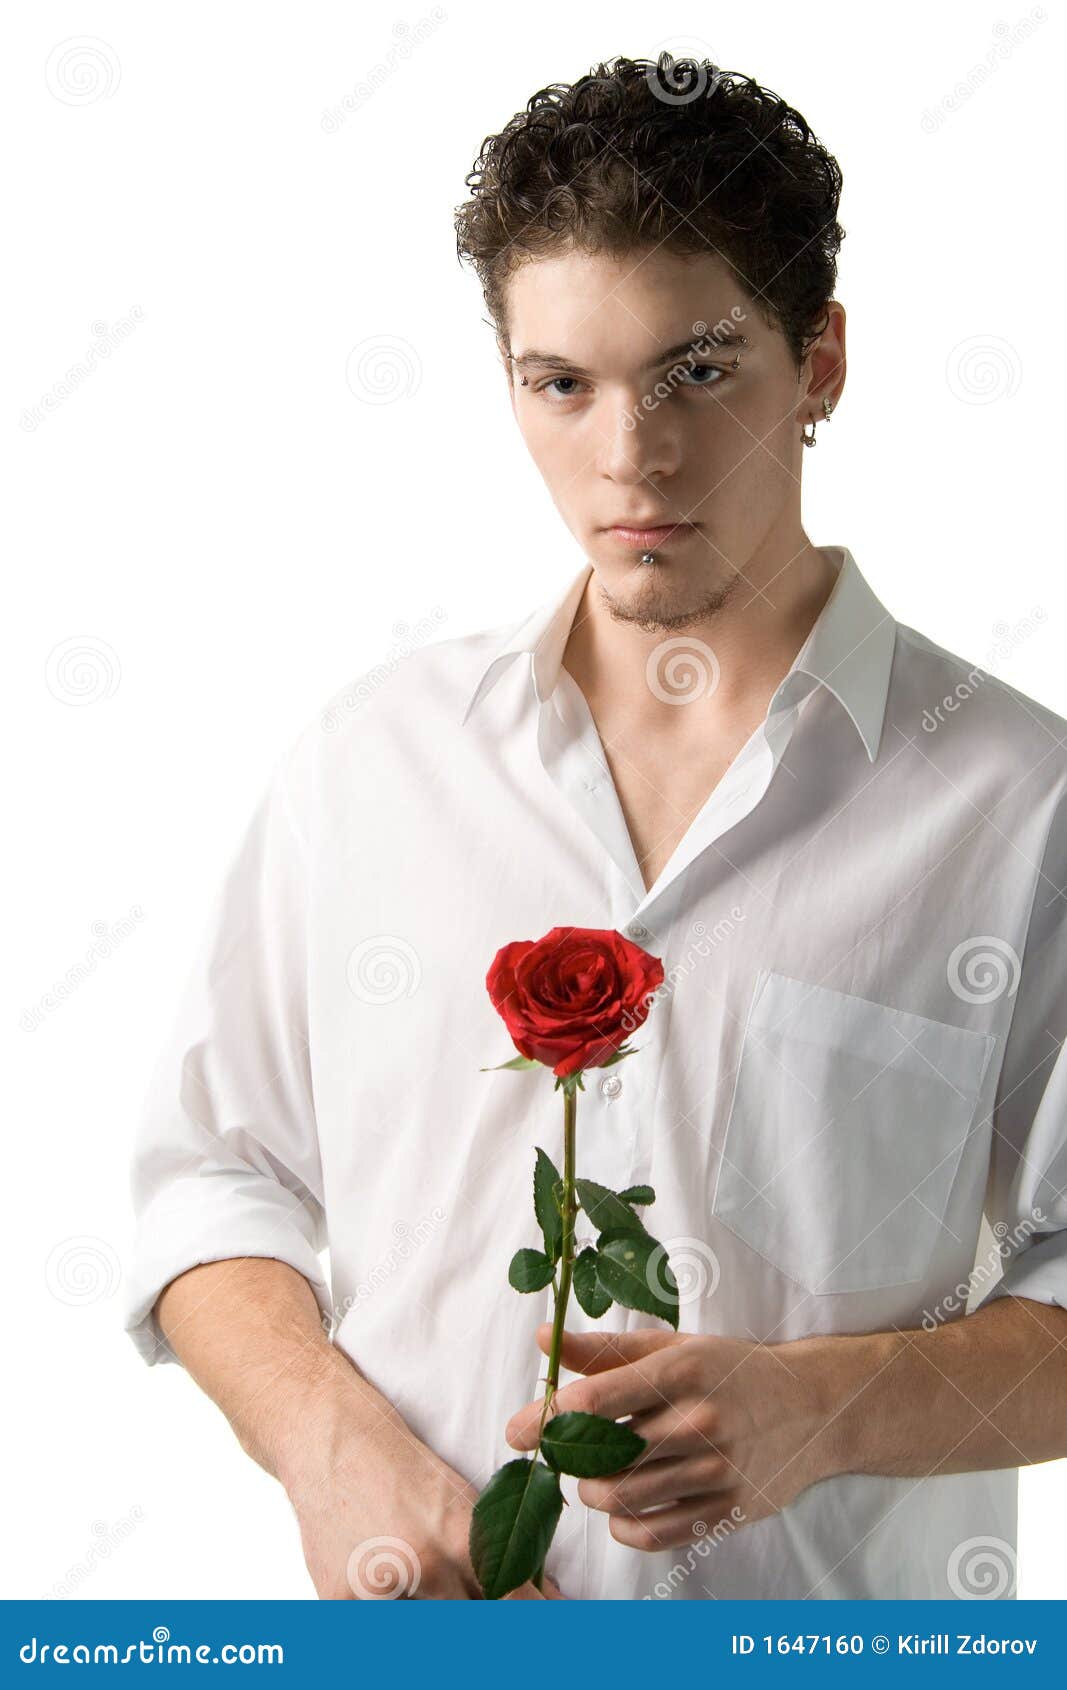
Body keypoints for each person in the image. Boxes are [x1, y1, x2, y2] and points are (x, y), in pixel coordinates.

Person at [122, 55, 1067, 1601]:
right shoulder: (371, 767)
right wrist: (319, 1432)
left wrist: (826, 1409)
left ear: (820, 360)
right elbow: (211, 1180)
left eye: (698, 371)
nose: (629, 455)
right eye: (562, 383)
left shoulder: (1024, 804)